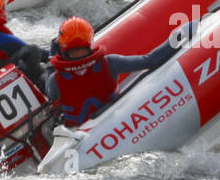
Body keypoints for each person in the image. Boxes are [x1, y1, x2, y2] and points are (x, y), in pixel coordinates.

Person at [46, 16, 187, 127]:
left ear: (63, 49)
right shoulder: (109, 63)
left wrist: (51, 61)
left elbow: (51, 98)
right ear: (89, 42)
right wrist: (181, 34)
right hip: (117, 125)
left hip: (79, 135)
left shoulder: (55, 80)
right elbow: (149, 60)